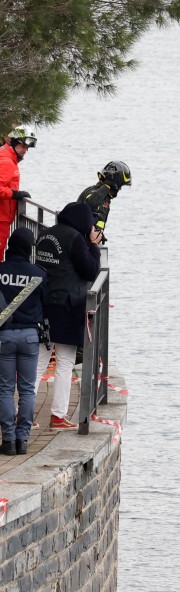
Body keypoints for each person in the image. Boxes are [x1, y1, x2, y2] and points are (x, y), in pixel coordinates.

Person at [35, 202, 101, 430]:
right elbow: (90, 270)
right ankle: (58, 416)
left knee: (38, 362)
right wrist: (93, 246)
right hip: (67, 306)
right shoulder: (75, 239)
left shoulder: (45, 234)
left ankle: (22, 415)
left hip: (43, 303)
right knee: (65, 362)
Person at [0, 227, 47, 455]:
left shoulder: (0, 270)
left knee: (5, 389)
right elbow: (46, 303)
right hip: (29, 336)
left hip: (4, 336)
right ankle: (23, 440)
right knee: (27, 390)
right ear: (29, 248)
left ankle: (8, 441)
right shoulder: (39, 273)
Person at [0, 127, 37, 260]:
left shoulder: (4, 155)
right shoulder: (7, 162)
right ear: (14, 143)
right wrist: (14, 194)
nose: (25, 150)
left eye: (27, 147)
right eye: (22, 146)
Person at [77, 161, 132, 241]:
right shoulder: (94, 192)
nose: (119, 189)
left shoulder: (105, 197)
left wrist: (100, 234)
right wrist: (106, 187)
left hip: (88, 240)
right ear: (116, 183)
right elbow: (90, 204)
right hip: (79, 241)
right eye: (120, 186)